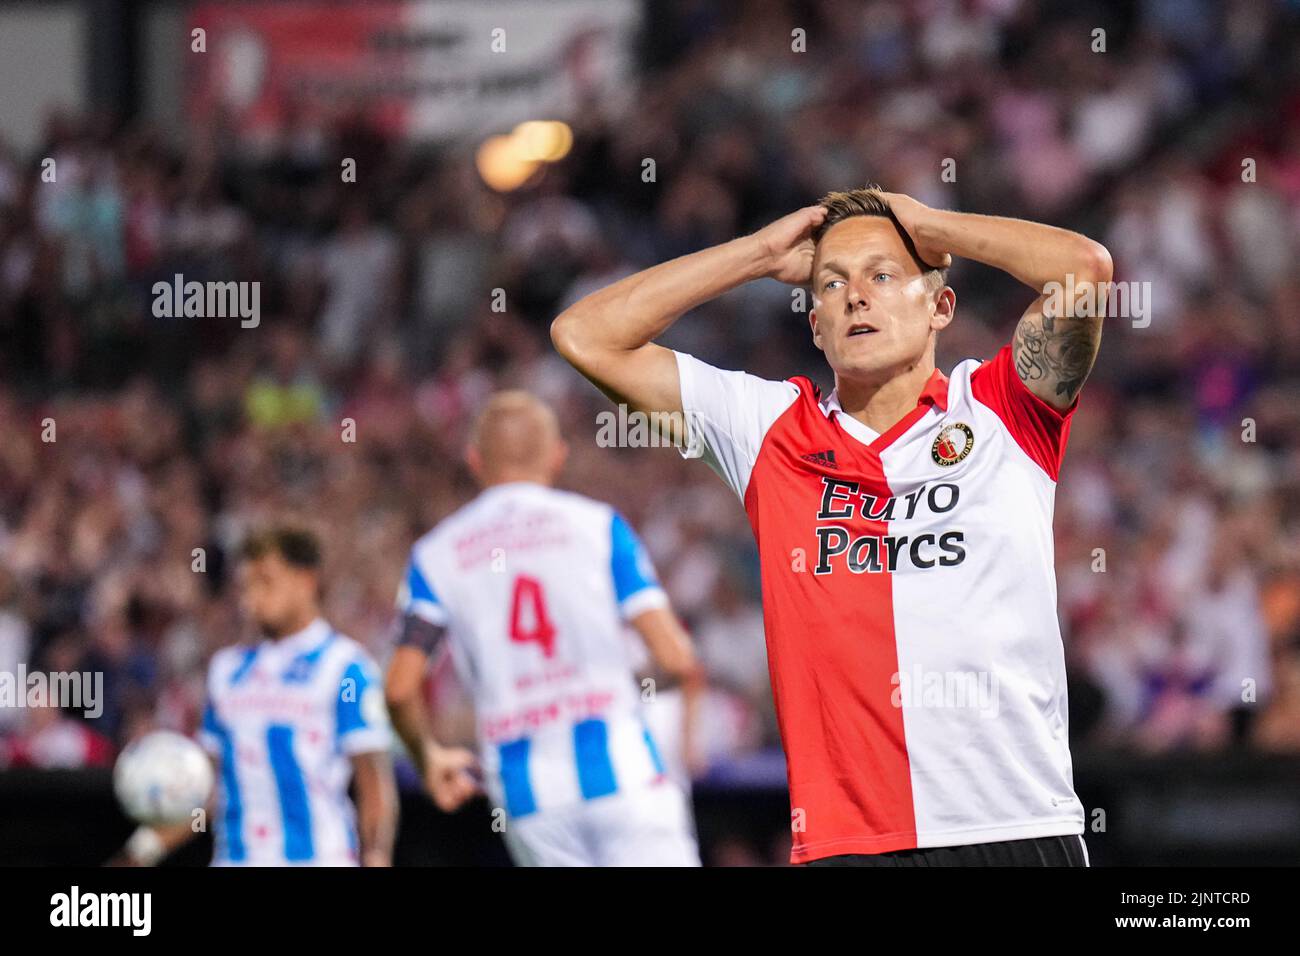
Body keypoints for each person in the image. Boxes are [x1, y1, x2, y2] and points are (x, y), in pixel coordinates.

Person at [551, 186, 1113, 866]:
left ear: (940, 305)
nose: (856, 296)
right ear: (814, 325)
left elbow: (1083, 270)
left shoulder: (1001, 410)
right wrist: (756, 254)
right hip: (847, 845)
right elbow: (583, 334)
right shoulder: (766, 429)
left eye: (883, 275)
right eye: (832, 284)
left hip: (1015, 827)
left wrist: (931, 225)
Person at [385, 390, 702, 866]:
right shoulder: (598, 526)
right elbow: (676, 657)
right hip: (625, 774)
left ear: (475, 461)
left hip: (526, 795)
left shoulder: (436, 555)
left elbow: (398, 688)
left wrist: (427, 758)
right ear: (557, 456)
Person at [116, 527, 397, 866]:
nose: (251, 598)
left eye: (266, 582)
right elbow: (207, 789)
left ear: (306, 581)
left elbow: (373, 782)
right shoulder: (226, 671)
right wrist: (139, 852)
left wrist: (377, 857)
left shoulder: (346, 668)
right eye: (245, 586)